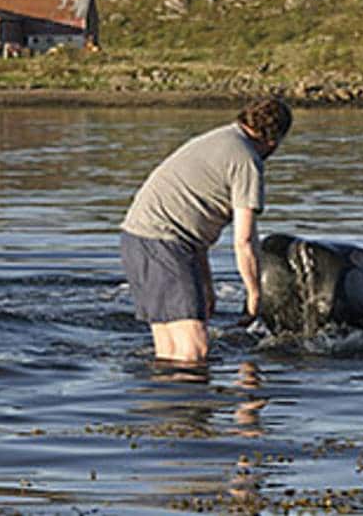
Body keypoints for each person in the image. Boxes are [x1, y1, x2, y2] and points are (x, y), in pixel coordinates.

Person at [120, 98, 293, 362]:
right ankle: (196, 403)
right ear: (275, 138)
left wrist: (206, 288)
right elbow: (245, 241)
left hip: (137, 240)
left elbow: (193, 228)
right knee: (194, 351)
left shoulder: (219, 139)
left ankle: (169, 401)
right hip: (165, 244)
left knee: (169, 351)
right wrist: (255, 294)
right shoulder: (246, 160)